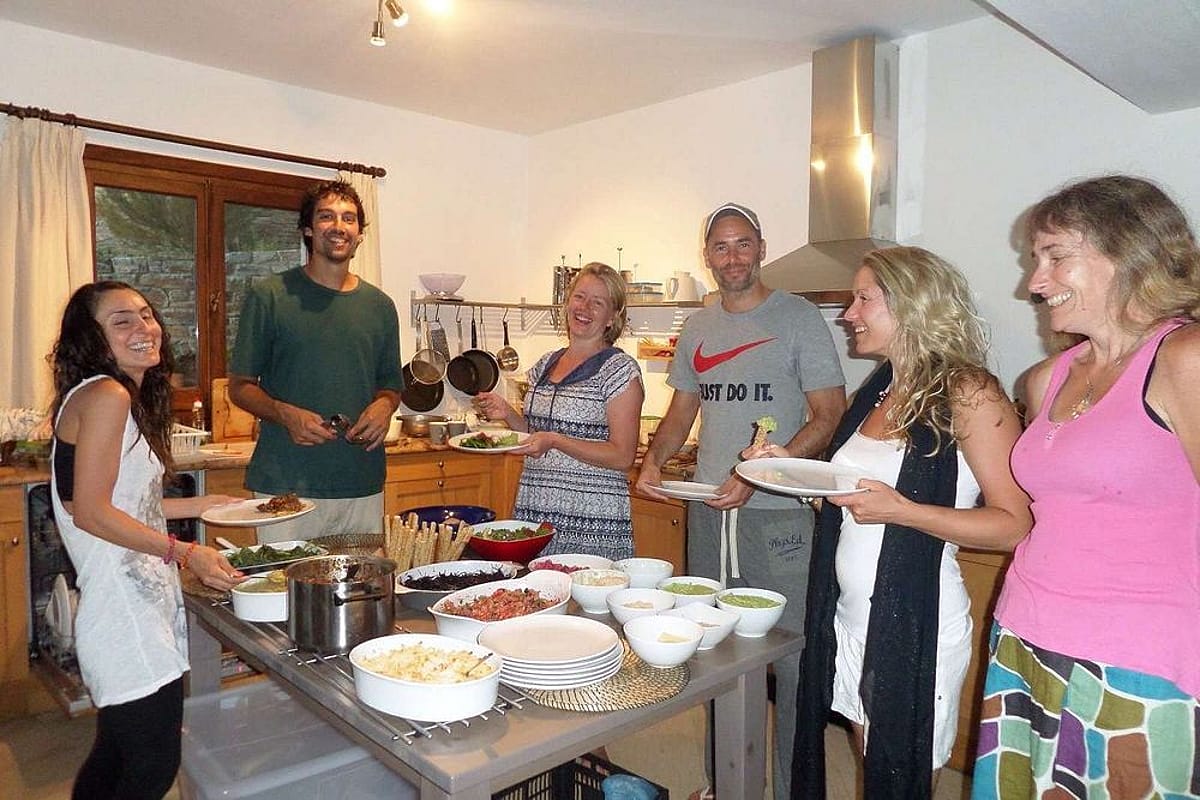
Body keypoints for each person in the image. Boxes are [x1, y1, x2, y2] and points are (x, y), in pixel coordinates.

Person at [748, 247, 1032, 799]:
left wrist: (903, 511)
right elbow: (849, 497)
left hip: (917, 618)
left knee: (903, 774)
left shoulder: (969, 392)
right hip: (854, 618)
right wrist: (786, 467)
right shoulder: (880, 387)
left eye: (863, 298)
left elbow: (1016, 523)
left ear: (911, 304)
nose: (848, 314)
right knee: (870, 757)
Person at [973, 175, 1200, 798]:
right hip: (1024, 634)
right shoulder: (1047, 379)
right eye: (1035, 261)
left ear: (1129, 254)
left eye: (1055, 257)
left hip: (1141, 658)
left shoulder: (1185, 358)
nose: (1035, 283)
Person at [635, 202, 847, 799]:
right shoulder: (700, 327)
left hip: (777, 515)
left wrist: (762, 474)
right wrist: (653, 460)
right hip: (709, 510)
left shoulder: (799, 318)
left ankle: (792, 790)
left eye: (743, 244)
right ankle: (722, 783)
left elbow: (828, 413)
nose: (732, 257)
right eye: (721, 247)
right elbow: (682, 408)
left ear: (761, 248)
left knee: (789, 659)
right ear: (709, 257)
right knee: (712, 649)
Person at [48, 281, 244, 800]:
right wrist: (186, 550)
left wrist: (199, 507)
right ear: (92, 338)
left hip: (132, 604)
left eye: (146, 315)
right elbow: (90, 513)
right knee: (154, 765)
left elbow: (97, 504)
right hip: (124, 616)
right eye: (122, 321)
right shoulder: (107, 395)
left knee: (114, 752)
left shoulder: (100, 396)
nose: (144, 329)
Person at [229, 179, 403, 543]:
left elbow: (390, 385)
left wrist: (385, 407)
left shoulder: (380, 307)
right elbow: (241, 388)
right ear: (308, 229)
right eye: (326, 216)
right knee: (284, 593)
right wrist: (284, 413)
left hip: (361, 480)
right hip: (287, 483)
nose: (339, 226)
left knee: (358, 595)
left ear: (359, 234)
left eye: (349, 218)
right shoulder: (270, 296)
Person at [474, 262, 644, 559]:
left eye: (598, 302)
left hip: (590, 515)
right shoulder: (546, 363)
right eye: (579, 297)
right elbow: (534, 437)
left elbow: (622, 455)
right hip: (538, 508)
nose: (585, 307)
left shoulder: (619, 370)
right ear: (568, 303)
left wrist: (556, 440)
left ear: (612, 317)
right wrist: (507, 414)